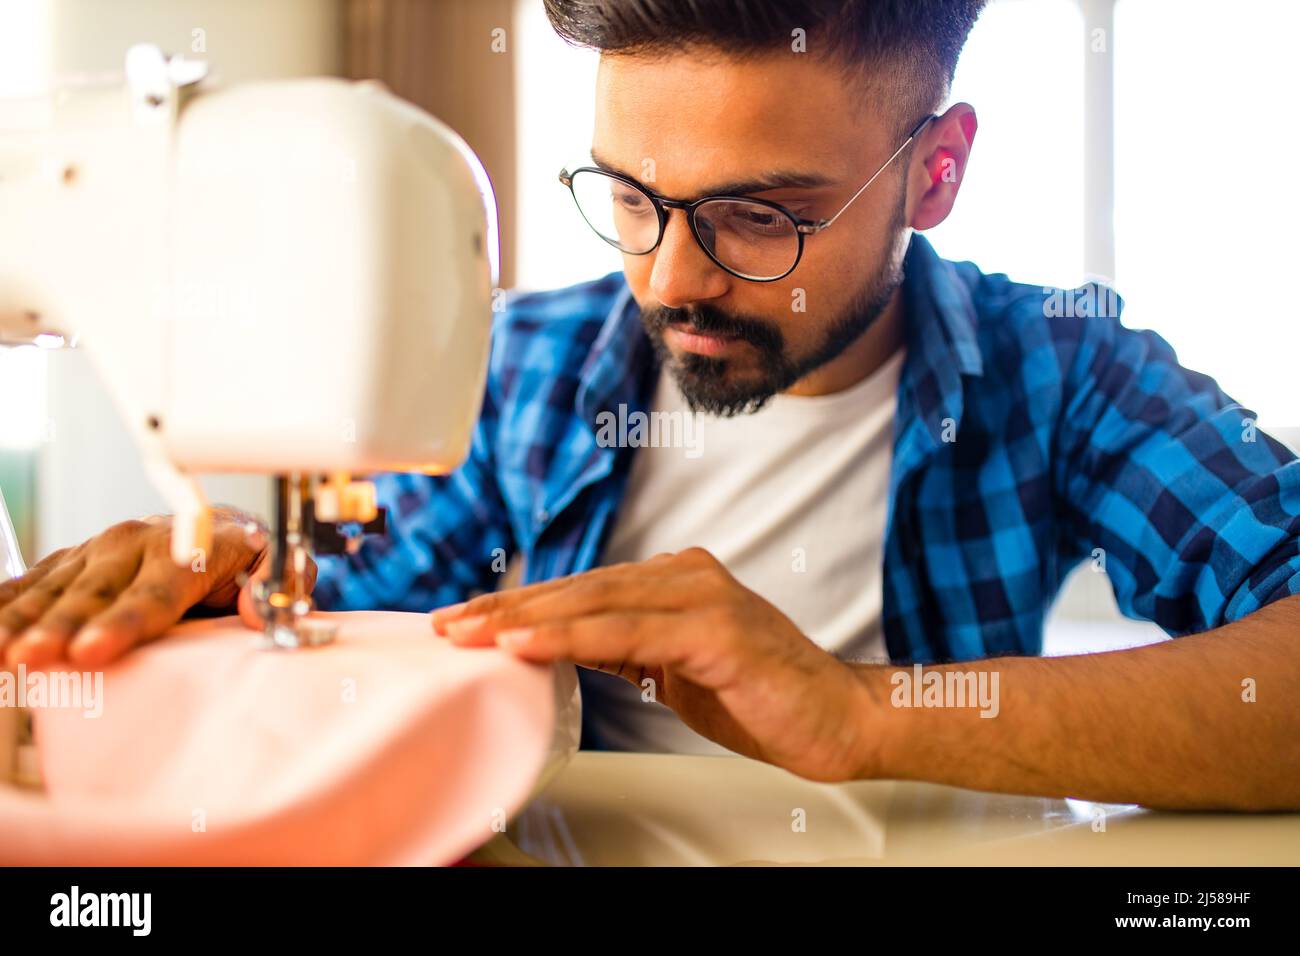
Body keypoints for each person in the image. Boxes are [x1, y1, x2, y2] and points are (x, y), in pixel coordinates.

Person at [2, 0, 1297, 810]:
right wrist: (217, 595)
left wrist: (858, 718)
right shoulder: (523, 372)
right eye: (627, 196)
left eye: (758, 217)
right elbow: (347, 619)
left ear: (937, 171)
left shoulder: (1066, 368)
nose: (669, 279)